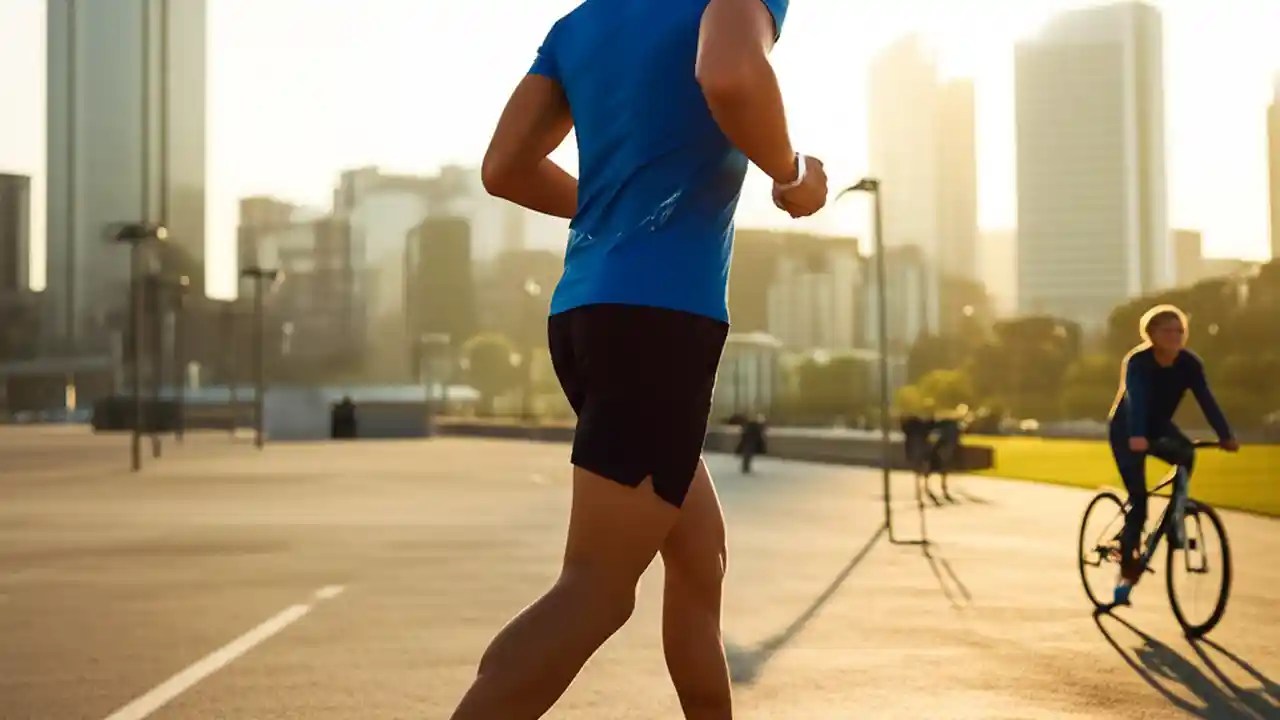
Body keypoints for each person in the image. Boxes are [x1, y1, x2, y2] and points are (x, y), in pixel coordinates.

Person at [450, 1, 827, 718]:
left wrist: (608, 210)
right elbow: (729, 74)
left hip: (586, 314)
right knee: (594, 592)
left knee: (698, 555)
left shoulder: (582, 23)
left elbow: (505, 168)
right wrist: (791, 172)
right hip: (658, 326)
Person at [1107, 305, 1238, 607]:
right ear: (1151, 334)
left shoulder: (1189, 364)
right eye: (1168, 331)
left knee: (1187, 454)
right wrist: (1137, 435)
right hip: (1127, 430)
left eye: (1180, 330)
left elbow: (1206, 399)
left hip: (1159, 427)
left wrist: (1225, 434)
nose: (1176, 336)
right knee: (1138, 500)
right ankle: (1127, 562)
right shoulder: (1139, 362)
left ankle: (1176, 514)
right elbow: (1136, 400)